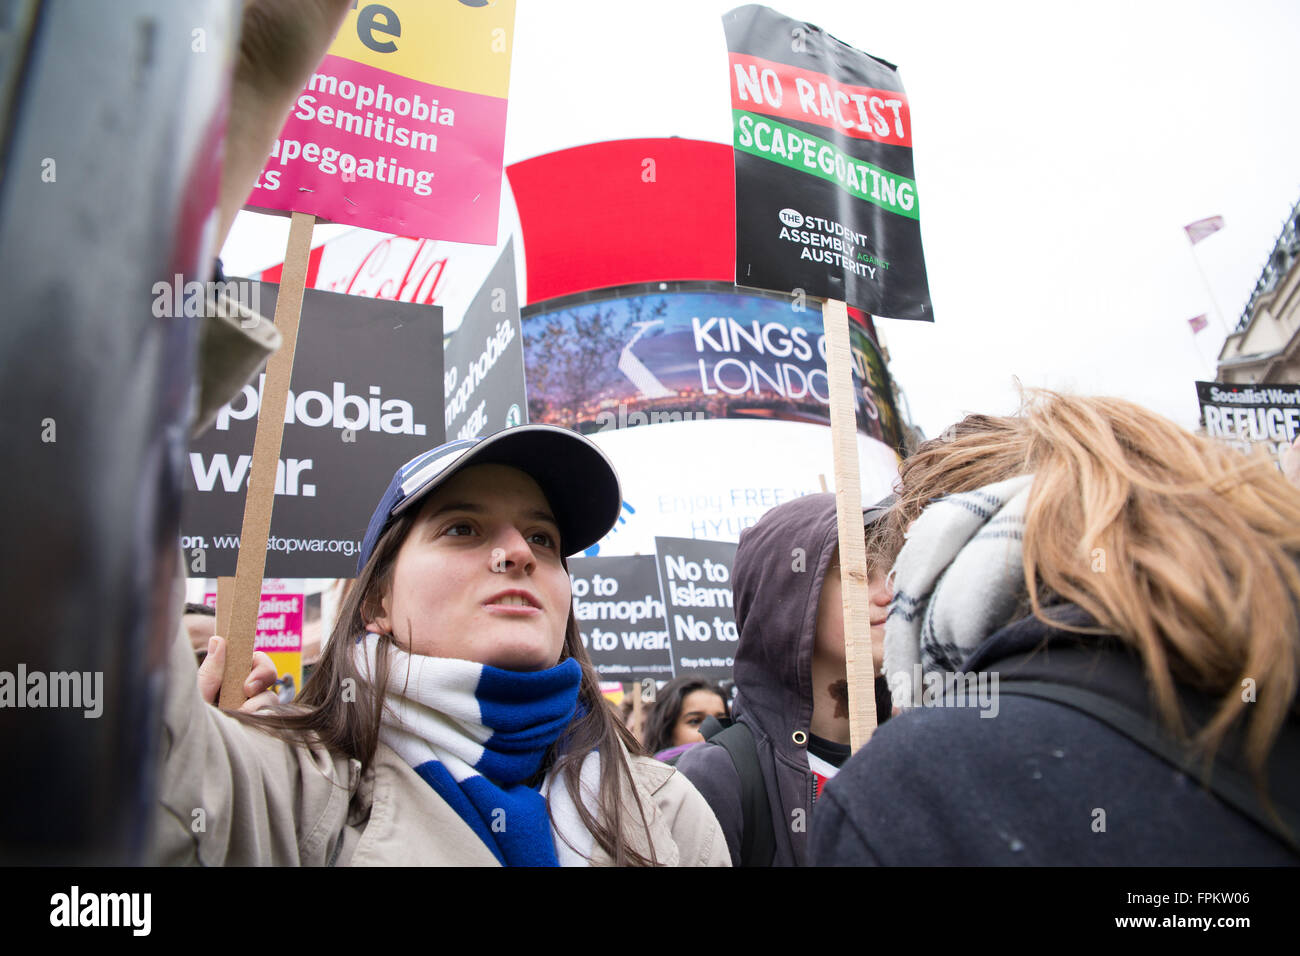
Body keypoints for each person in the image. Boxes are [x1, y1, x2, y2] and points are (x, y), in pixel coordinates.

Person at [156, 425, 730, 866]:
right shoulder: (278, 785)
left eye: (542, 537)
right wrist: (180, 753)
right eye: (462, 528)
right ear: (376, 600)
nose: (519, 554)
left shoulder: (669, 809)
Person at [811, 392, 1300, 865]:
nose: (887, 597)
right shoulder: (1267, 641)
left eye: (896, 569)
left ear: (932, 552)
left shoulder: (908, 787)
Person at [676, 493, 894, 866]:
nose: (889, 594)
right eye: (858, 573)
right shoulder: (715, 778)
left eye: (892, 573)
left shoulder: (921, 754)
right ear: (790, 598)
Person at [643, 676, 730, 764]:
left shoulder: (740, 771)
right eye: (695, 721)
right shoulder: (648, 776)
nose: (712, 730)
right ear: (667, 731)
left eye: (720, 721)